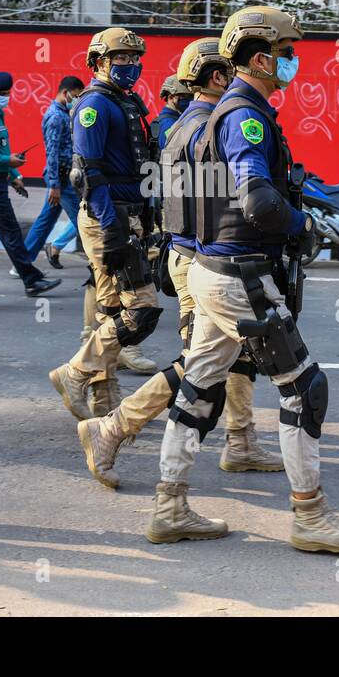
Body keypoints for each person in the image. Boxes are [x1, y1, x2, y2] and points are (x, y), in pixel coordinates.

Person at [146, 5, 339, 553]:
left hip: (211, 270)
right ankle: (310, 517)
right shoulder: (243, 115)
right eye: (288, 53)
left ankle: (169, 506)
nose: (294, 62)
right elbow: (256, 198)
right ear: (259, 57)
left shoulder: (226, 110)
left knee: (199, 388)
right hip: (239, 275)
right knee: (304, 388)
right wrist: (305, 225)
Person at [76, 37, 283, 488]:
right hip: (208, 261)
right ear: (218, 76)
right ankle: (112, 426)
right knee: (201, 363)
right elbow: (218, 206)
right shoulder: (211, 126)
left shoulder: (190, 122)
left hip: (195, 256)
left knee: (232, 356)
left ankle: (239, 440)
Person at [48, 27, 164, 421]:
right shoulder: (94, 105)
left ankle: (103, 401)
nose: (131, 66)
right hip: (108, 216)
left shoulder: (125, 101)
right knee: (140, 311)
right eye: (122, 59)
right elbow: (87, 174)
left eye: (134, 59)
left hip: (128, 215)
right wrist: (112, 225)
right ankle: (74, 373)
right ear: (98, 63)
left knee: (111, 312)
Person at [0, 72, 61, 297]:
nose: (6, 97)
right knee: (10, 233)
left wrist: (14, 173)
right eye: (1, 94)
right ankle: (30, 279)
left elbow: (0, 150)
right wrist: (8, 162)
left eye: (7, 94)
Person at [24, 75, 85, 266]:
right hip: (62, 179)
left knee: (45, 221)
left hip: (63, 178)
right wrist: (54, 185)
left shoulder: (64, 114)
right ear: (66, 93)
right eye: (75, 96)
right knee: (83, 220)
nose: (76, 100)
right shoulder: (55, 117)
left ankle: (23, 263)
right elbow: (52, 154)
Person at [154, 73, 192, 148]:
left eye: (191, 96)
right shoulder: (168, 124)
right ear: (171, 97)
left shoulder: (175, 119)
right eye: (185, 96)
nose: (190, 100)